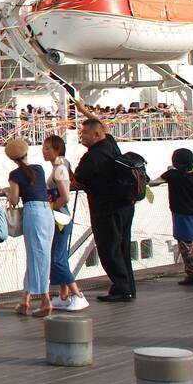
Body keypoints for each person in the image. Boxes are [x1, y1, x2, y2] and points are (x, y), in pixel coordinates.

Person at [73, 117, 135, 302]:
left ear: (96, 134)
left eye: (85, 133)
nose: (81, 136)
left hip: (106, 208)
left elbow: (79, 179)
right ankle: (127, 286)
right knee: (122, 247)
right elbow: (105, 127)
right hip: (124, 205)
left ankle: (122, 289)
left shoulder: (93, 157)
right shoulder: (111, 144)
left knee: (109, 249)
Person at [5, 139, 53, 318]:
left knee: (36, 256)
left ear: (12, 158)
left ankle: (45, 301)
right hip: (47, 211)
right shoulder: (39, 169)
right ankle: (25, 299)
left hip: (32, 213)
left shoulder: (14, 174)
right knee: (40, 254)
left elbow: (15, 199)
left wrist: (8, 192)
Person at [43, 135, 87, 311]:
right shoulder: (62, 164)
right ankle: (63, 295)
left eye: (47, 148)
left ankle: (78, 294)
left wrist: (50, 207)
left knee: (57, 258)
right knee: (58, 255)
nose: (44, 151)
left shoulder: (59, 168)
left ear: (56, 150)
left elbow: (65, 196)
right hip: (59, 216)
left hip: (59, 216)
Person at [164, 148, 193, 286]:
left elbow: (156, 181)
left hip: (180, 215)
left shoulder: (171, 175)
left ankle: (191, 275)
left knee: (185, 247)